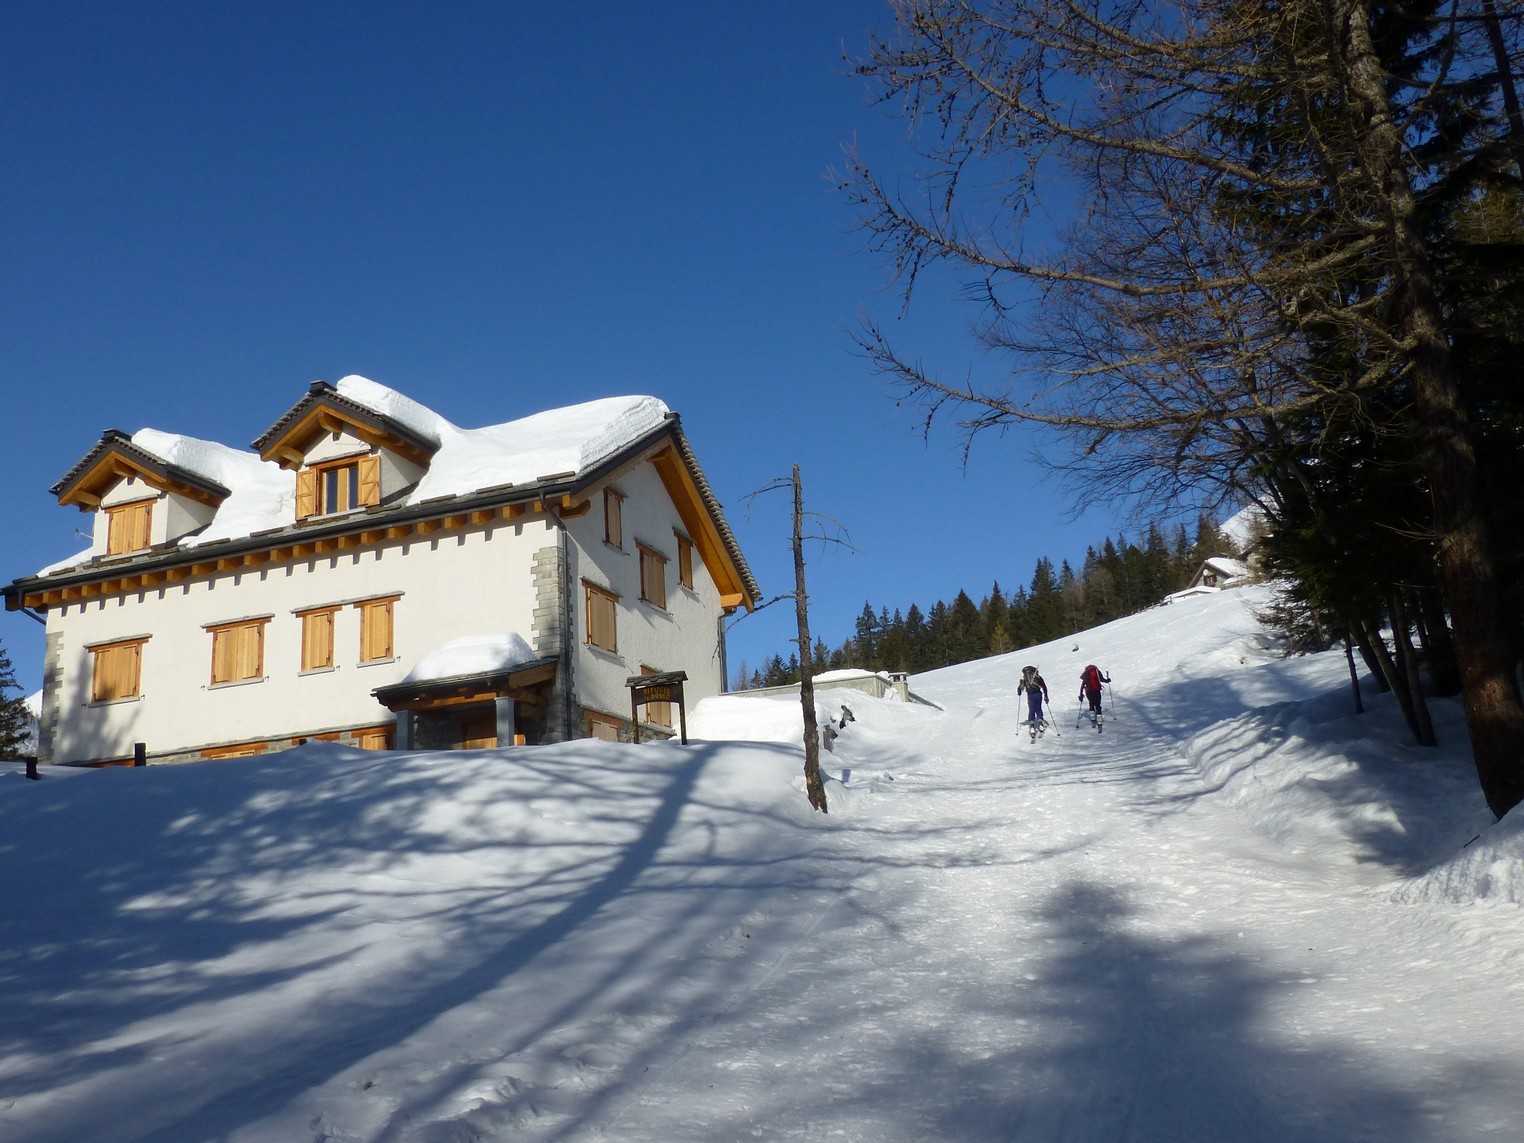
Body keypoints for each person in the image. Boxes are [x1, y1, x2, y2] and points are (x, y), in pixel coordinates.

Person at [1018, 665, 1050, 737]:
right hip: (1038, 694)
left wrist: (1019, 692)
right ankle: (1041, 721)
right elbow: (1044, 686)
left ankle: (1031, 725)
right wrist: (1046, 696)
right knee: (1038, 708)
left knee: (1031, 709)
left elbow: (1020, 688)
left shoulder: (1025, 678)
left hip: (1030, 695)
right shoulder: (1037, 677)